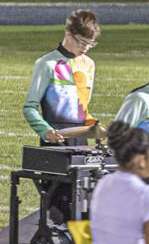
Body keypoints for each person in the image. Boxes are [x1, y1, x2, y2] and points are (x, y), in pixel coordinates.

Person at [23, 9, 101, 145]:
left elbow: (82, 109)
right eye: (82, 42)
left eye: (90, 44)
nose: (85, 48)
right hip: (55, 139)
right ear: (69, 35)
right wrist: (45, 131)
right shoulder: (47, 64)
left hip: (81, 140)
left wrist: (94, 126)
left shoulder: (88, 64)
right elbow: (30, 107)